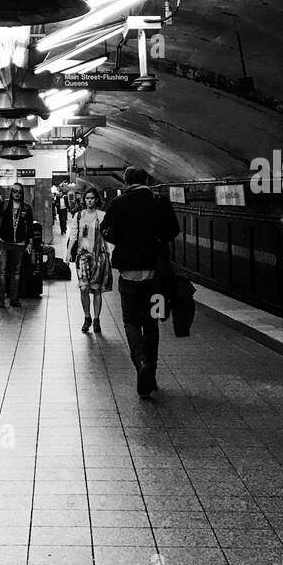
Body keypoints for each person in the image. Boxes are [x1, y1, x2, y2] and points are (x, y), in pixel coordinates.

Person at [100, 167, 179, 399]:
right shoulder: (160, 202)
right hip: (158, 276)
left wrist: (125, 239)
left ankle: (141, 363)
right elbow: (173, 230)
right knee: (152, 322)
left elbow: (107, 232)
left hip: (129, 275)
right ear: (146, 180)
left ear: (125, 181)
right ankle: (151, 374)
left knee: (131, 321)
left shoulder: (118, 203)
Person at [69, 187, 111, 334]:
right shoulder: (78, 216)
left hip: (99, 255)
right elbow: (73, 235)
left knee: (97, 289)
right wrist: (69, 252)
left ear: (96, 199)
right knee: (84, 287)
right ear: (84, 200)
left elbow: (107, 236)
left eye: (92, 198)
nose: (89, 200)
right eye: (87, 198)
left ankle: (97, 319)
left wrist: (109, 252)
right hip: (82, 256)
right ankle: (87, 317)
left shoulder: (102, 216)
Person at [0, 180, 34, 308]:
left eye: (19, 192)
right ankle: (1, 299)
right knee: (2, 272)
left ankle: (14, 298)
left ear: (22, 194)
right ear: (11, 192)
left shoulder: (26, 207)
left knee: (16, 273)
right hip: (4, 243)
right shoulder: (4, 205)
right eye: (14, 191)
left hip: (19, 244)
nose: (17, 194)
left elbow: (30, 227)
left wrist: (30, 243)